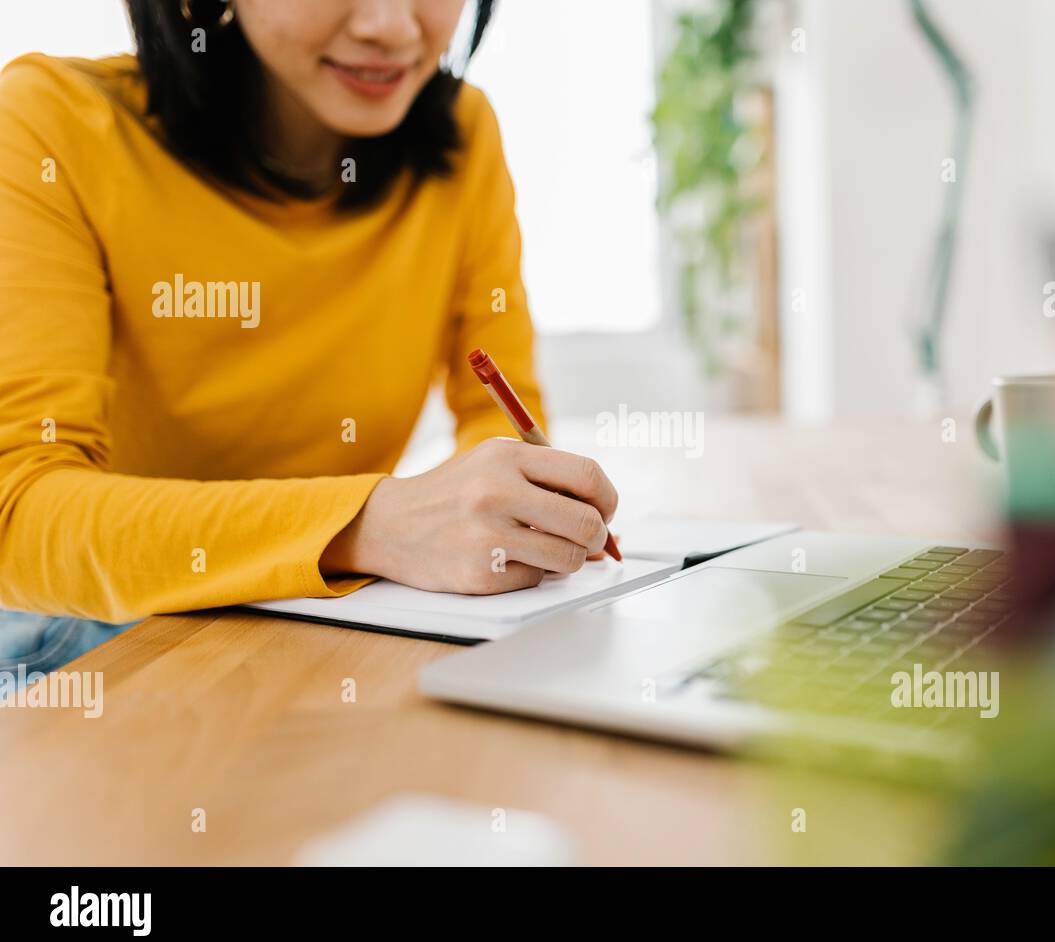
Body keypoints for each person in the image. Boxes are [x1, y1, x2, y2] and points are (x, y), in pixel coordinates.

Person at [0, 0, 618, 676]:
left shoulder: (462, 133)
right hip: (97, 630)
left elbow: (497, 417)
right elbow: (18, 516)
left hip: (332, 617)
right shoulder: (51, 124)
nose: (392, 28)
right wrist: (366, 525)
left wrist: (508, 513)